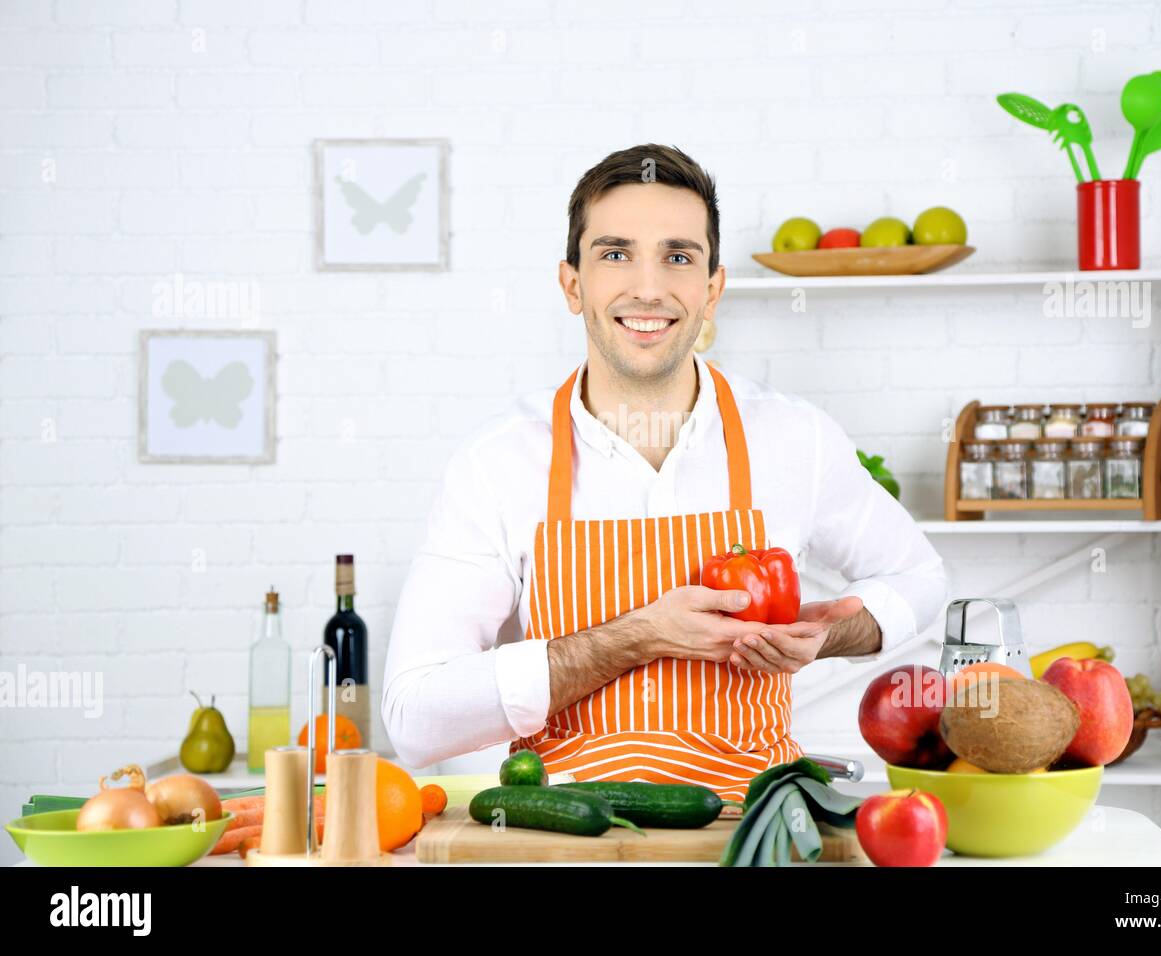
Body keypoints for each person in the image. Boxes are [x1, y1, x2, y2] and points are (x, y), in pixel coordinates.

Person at [383, 144, 947, 799]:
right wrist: (636, 637)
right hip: (568, 829)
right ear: (573, 286)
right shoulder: (497, 463)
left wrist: (829, 634)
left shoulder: (795, 437)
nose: (647, 287)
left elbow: (919, 576)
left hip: (752, 828)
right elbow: (415, 715)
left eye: (678, 256)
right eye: (615, 254)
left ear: (712, 289)